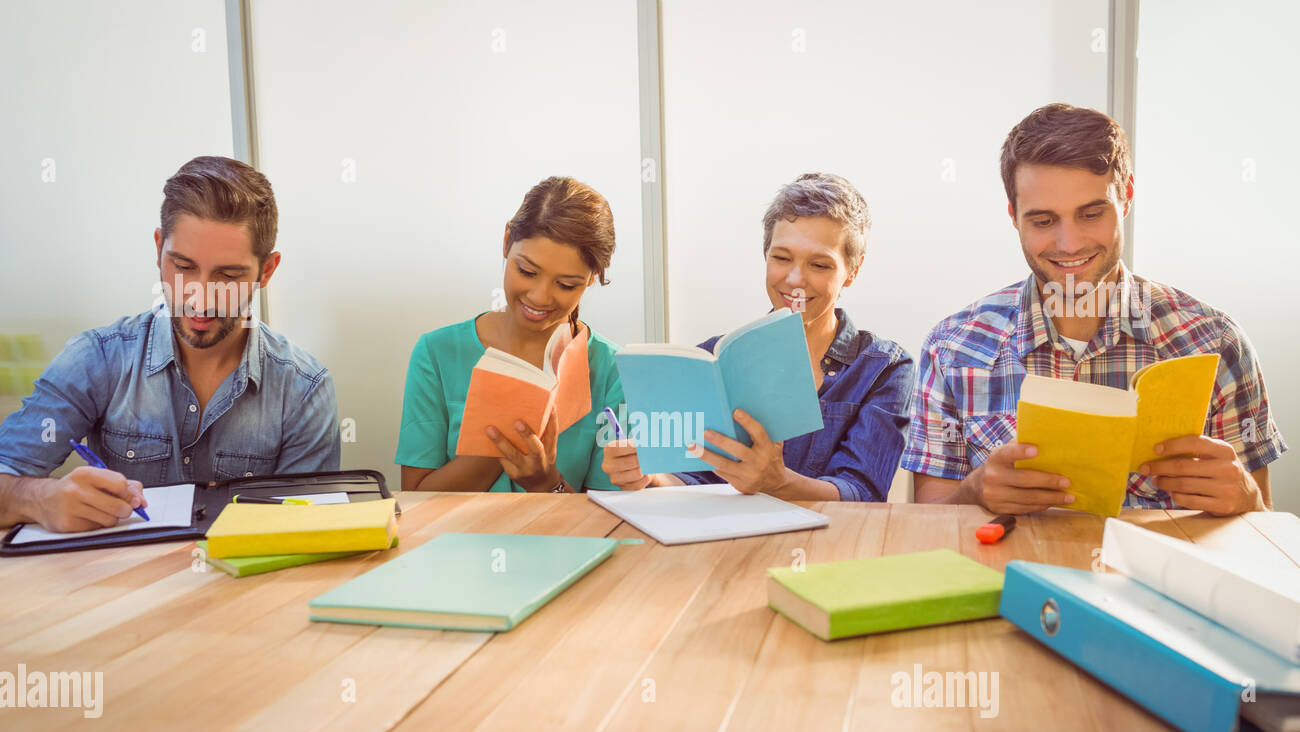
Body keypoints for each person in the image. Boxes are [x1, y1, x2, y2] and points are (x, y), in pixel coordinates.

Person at [903, 103, 1286, 515]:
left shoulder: (1215, 342)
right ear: (1014, 216)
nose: (1069, 244)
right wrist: (975, 492)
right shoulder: (952, 348)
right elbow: (930, 525)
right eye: (1044, 221)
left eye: (1090, 214)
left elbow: (1261, 535)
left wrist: (1247, 502)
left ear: (1126, 197)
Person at [0, 156, 339, 533]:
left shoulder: (304, 389)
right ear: (159, 249)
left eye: (227, 275)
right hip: (121, 589)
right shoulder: (98, 358)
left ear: (267, 271)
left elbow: (308, 538)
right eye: (183, 266)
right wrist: (38, 499)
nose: (199, 297)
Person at [601, 172, 913, 501]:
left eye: (819, 265)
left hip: (832, 548)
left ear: (852, 271)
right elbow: (694, 480)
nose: (795, 279)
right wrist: (648, 477)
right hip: (731, 546)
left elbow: (863, 493)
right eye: (781, 258)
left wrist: (778, 483)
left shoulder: (884, 369)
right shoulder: (711, 360)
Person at [398, 176, 625, 493]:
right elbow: (415, 500)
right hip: (455, 542)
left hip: (567, 544)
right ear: (507, 241)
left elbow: (609, 521)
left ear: (592, 279)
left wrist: (546, 482)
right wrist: (506, 432)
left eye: (566, 284)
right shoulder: (436, 353)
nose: (540, 297)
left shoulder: (613, 369)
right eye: (527, 272)